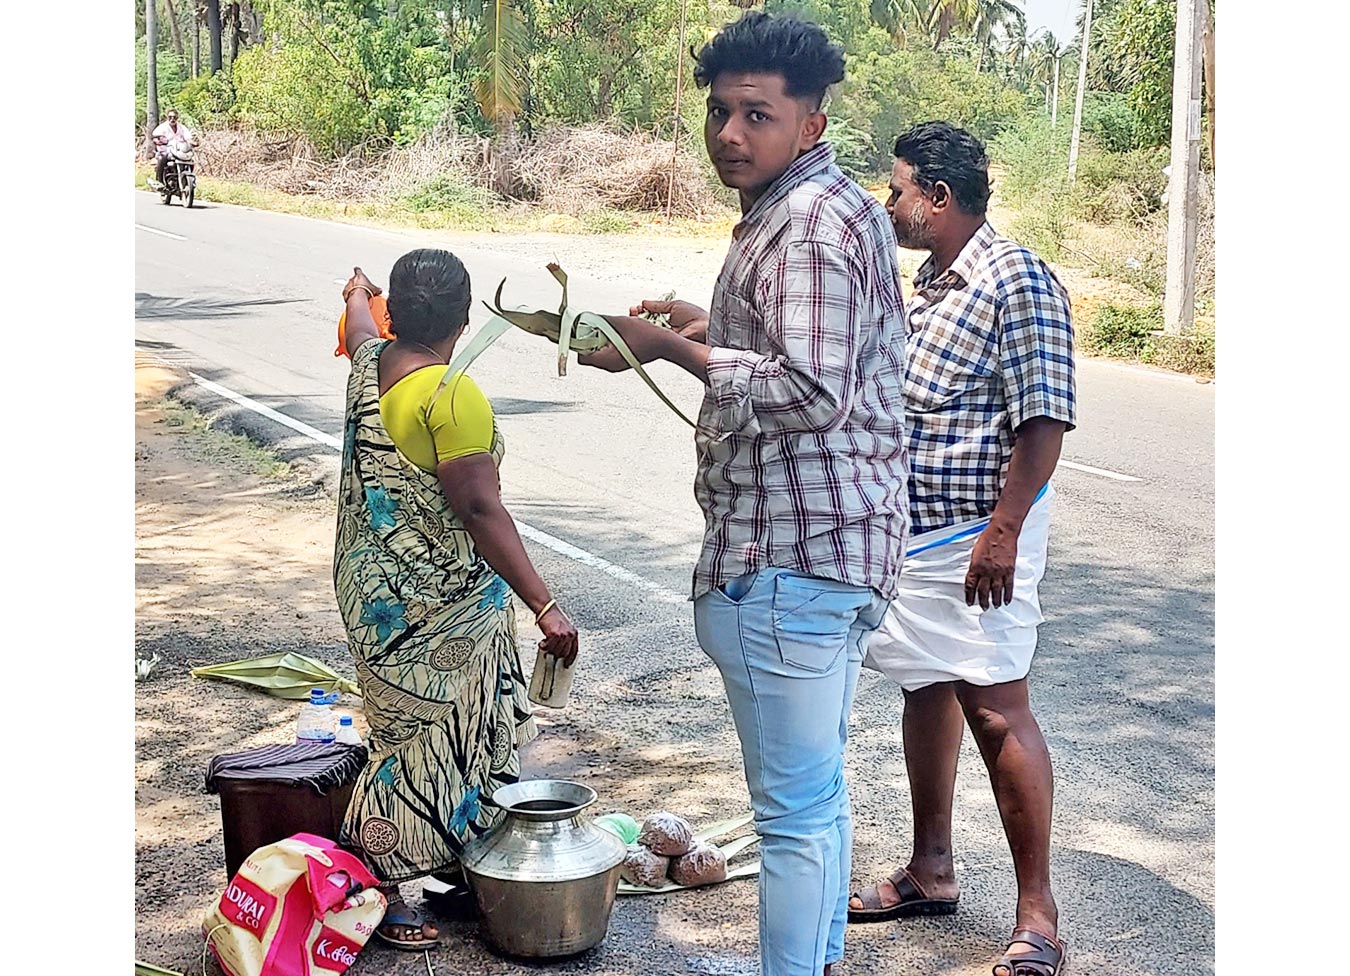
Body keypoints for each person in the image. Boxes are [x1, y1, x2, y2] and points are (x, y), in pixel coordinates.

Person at [578, 13, 909, 976]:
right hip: (826, 560)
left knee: (795, 816)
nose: (729, 132)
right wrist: (706, 319)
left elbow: (810, 390)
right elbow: (799, 351)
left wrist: (674, 350)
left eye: (756, 113)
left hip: (789, 565)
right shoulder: (813, 208)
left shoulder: (805, 222)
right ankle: (818, 961)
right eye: (720, 111)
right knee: (820, 798)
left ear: (810, 123)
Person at [846, 122, 1075, 976]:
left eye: (898, 189)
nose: (890, 204)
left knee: (994, 705)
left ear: (939, 199)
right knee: (926, 685)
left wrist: (1003, 531)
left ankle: (1038, 914)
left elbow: (1044, 419)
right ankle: (931, 869)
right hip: (919, 534)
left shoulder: (1014, 279)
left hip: (980, 537)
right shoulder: (931, 284)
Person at [333, 250, 579, 950]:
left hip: (372, 591)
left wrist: (357, 290)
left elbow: (355, 325)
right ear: (468, 316)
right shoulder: (453, 396)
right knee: (412, 742)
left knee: (461, 732)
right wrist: (545, 605)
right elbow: (477, 506)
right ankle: (374, 886)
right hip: (438, 605)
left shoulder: (368, 361)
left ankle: (457, 868)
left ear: (396, 313)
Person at [150, 109, 197, 188]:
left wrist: (193, 143)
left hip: (180, 150)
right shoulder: (162, 127)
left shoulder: (182, 127)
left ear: (177, 117)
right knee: (162, 158)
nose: (172, 119)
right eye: (170, 117)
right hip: (166, 150)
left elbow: (188, 138)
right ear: (167, 117)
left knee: (190, 161)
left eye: (174, 117)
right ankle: (159, 181)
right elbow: (155, 136)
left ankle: (187, 180)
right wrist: (158, 141)